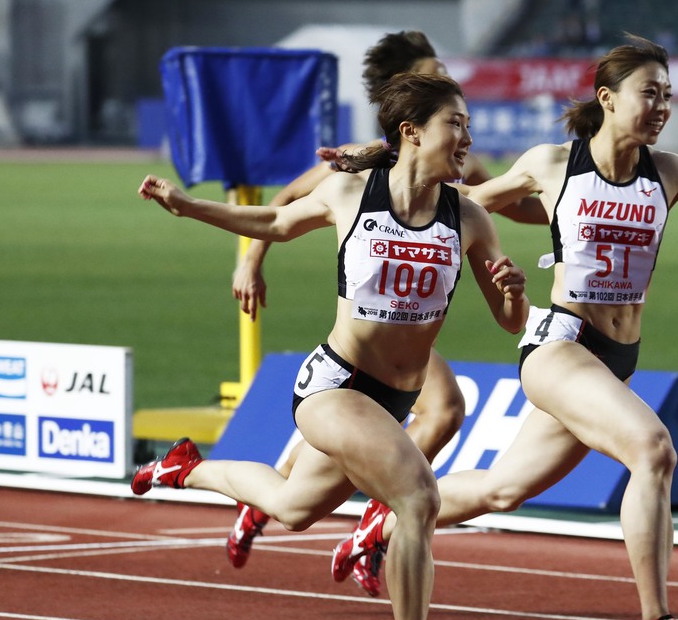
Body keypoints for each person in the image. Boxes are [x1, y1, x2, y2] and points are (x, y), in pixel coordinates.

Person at [330, 35, 678, 620]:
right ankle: (656, 619)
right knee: (652, 449)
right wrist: (379, 166)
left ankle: (380, 526)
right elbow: (451, 202)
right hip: (560, 347)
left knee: (502, 490)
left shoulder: (672, 173)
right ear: (607, 98)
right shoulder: (553, 164)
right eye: (648, 93)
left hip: (615, 358)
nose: (661, 106)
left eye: (668, 95)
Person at [134, 73, 529, 620]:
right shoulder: (351, 192)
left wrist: (513, 295)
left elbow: (510, 321)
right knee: (418, 497)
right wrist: (189, 206)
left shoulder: (470, 217)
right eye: (454, 123)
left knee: (292, 508)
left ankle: (185, 470)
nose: (468, 137)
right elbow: (271, 219)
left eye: (467, 123)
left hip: (394, 399)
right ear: (412, 133)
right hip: (334, 386)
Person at [225, 30, 545, 584]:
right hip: (368, 322)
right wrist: (250, 263)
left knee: (428, 412)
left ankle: (335, 504)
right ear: (406, 109)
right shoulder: (358, 165)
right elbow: (282, 207)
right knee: (420, 410)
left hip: (414, 320)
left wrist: (574, 211)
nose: (448, 79)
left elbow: (507, 207)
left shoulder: (455, 162)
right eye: (435, 70)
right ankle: (376, 511)